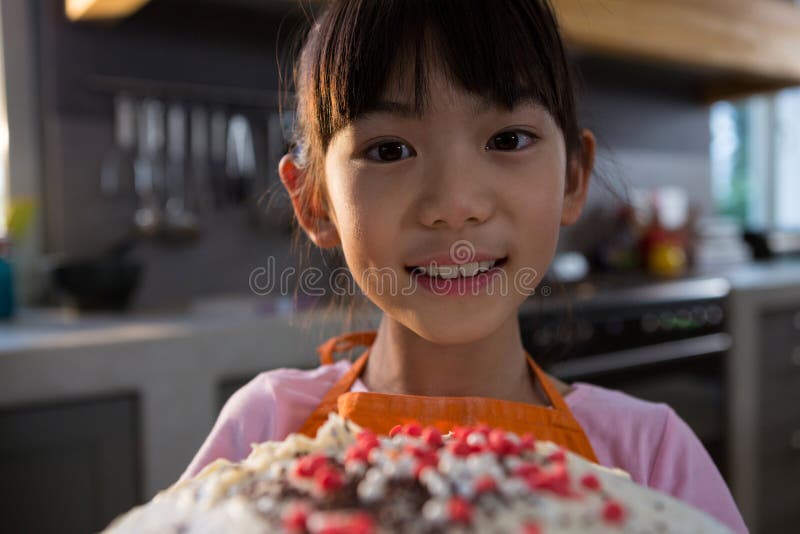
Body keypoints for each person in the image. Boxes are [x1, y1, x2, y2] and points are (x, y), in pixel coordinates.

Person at [181, 1, 747, 532]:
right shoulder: (262, 431)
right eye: (389, 151)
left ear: (572, 177)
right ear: (315, 203)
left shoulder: (650, 455)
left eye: (508, 139)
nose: (455, 206)